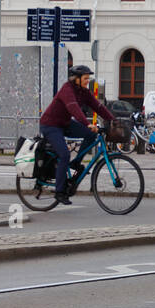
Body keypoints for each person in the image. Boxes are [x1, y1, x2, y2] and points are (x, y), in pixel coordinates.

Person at [38, 64, 113, 205]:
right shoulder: (67, 89)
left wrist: (113, 120)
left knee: (91, 135)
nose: (87, 81)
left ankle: (76, 162)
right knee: (64, 154)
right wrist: (87, 123)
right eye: (85, 78)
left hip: (65, 124)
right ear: (76, 79)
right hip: (51, 125)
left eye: (88, 78)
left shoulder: (83, 91)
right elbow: (73, 107)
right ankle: (59, 192)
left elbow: (98, 106)